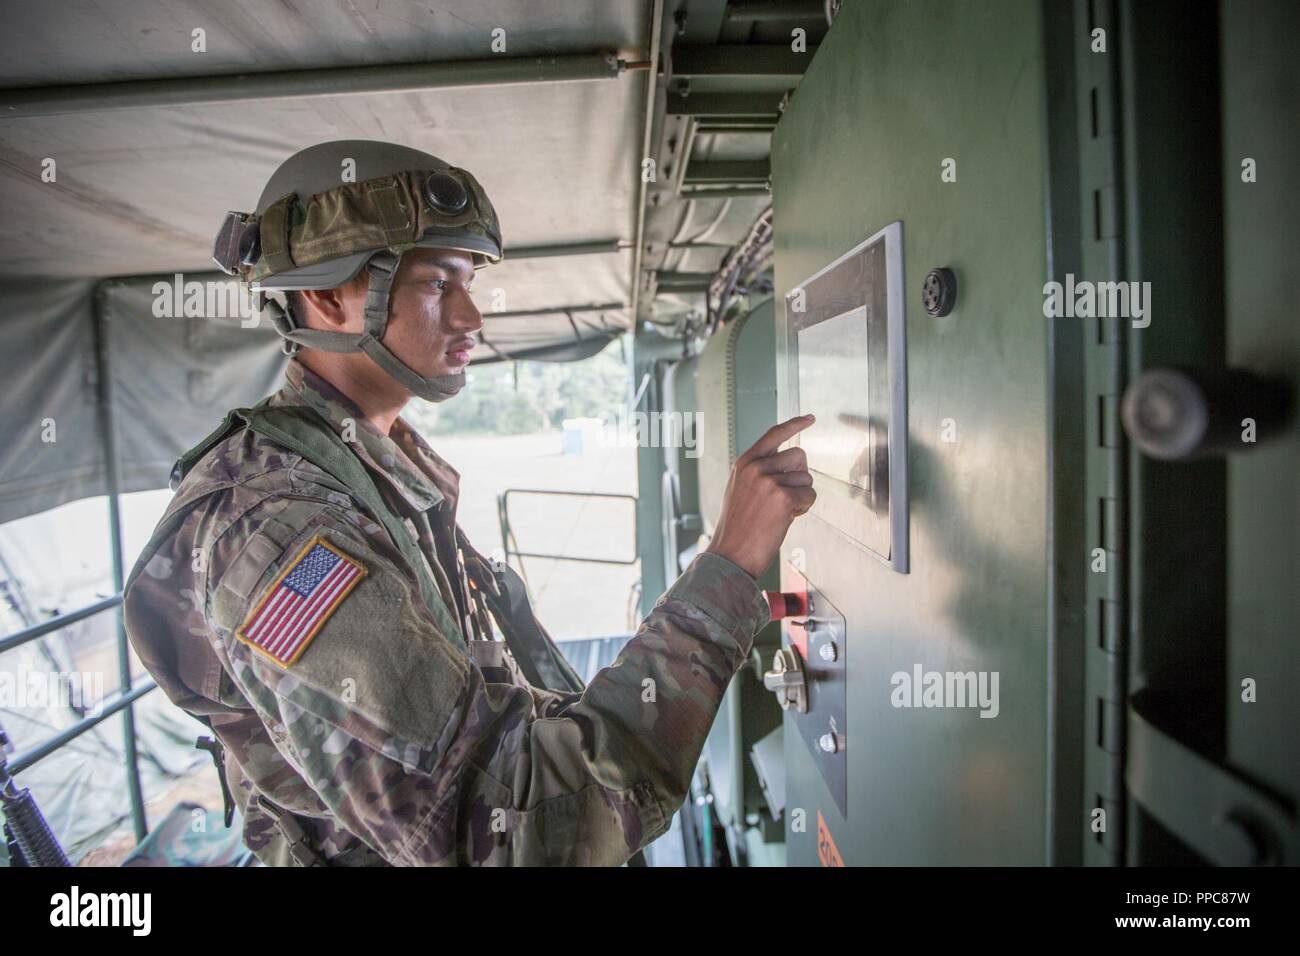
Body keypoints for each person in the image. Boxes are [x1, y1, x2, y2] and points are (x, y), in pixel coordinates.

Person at [124, 140, 815, 866]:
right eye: (435, 285)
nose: (471, 317)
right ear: (326, 298)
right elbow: (510, 837)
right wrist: (732, 563)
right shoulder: (280, 522)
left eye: (469, 282)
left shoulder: (361, 468)